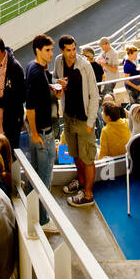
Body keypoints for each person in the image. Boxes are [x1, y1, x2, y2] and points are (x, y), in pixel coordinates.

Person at [53, 35, 100, 208]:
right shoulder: (59, 62)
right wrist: (57, 83)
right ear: (62, 51)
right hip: (68, 117)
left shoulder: (85, 66)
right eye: (68, 50)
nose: (72, 54)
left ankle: (88, 196)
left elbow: (95, 95)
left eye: (74, 49)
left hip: (84, 119)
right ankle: (81, 182)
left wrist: (90, 122)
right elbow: (53, 79)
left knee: (88, 158)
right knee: (75, 154)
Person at [24, 34, 61, 227]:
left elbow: (38, 93)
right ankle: (44, 220)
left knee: (35, 176)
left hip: (37, 132)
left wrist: (53, 88)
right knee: (44, 179)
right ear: (38, 50)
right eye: (47, 50)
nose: (51, 54)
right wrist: (36, 134)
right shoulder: (37, 72)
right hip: (42, 133)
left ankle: (33, 213)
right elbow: (30, 108)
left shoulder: (33, 67)